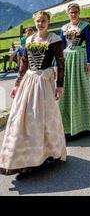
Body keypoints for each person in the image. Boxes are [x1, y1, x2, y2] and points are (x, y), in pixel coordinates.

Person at [0, 11, 66, 179]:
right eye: (38, 21)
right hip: (28, 82)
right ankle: (23, 160)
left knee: (42, 118)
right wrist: (16, 85)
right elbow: (24, 64)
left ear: (48, 22)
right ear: (35, 22)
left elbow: (61, 62)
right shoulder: (29, 40)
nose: (40, 24)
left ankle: (45, 154)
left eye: (43, 21)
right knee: (22, 119)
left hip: (44, 83)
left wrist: (60, 86)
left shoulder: (54, 39)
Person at [59, 3, 90, 139]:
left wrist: (89, 61)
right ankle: (68, 124)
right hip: (67, 60)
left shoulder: (85, 26)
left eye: (76, 11)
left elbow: (89, 44)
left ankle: (86, 125)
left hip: (80, 59)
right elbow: (62, 46)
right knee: (68, 90)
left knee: (83, 89)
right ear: (68, 13)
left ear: (79, 12)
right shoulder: (64, 28)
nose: (74, 14)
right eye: (71, 12)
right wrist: (58, 64)